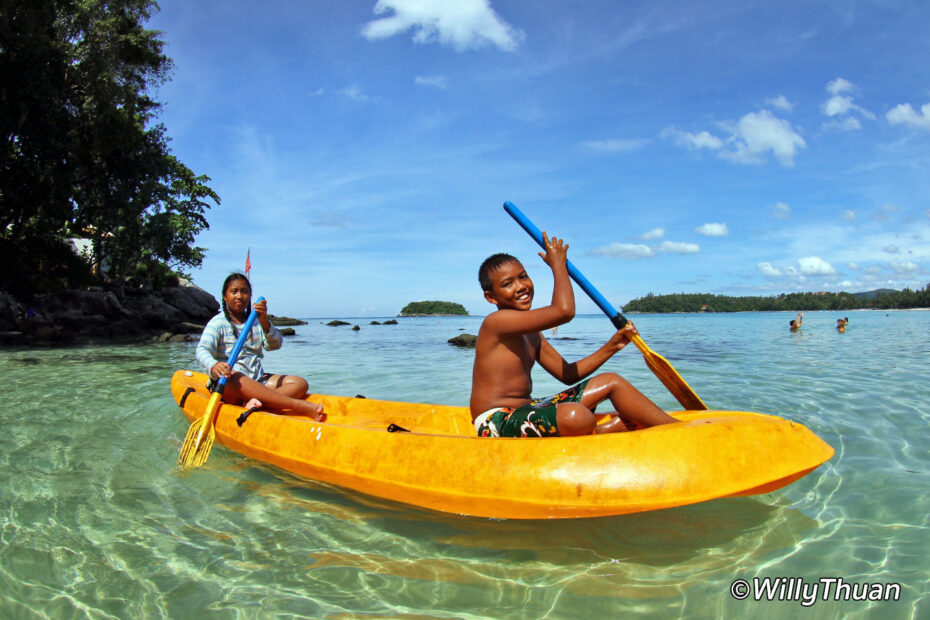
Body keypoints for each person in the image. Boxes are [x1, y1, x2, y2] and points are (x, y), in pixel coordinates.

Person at [469, 233, 679, 438]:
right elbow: (564, 311)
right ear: (491, 297)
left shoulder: (532, 332)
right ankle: (608, 429)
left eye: (523, 277)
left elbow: (568, 374)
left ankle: (678, 430)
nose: (521, 286)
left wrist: (612, 346)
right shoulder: (495, 323)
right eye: (508, 284)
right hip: (495, 421)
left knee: (612, 381)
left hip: (529, 408)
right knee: (575, 415)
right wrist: (558, 264)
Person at [196, 273, 324, 420]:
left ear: (250, 296)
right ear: (225, 296)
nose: (239, 296)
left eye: (244, 291)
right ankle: (297, 405)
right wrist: (214, 365)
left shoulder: (256, 322)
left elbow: (275, 345)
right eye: (234, 291)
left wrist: (264, 321)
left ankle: (258, 402)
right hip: (228, 383)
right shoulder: (218, 323)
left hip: (256, 380)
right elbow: (202, 350)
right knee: (235, 375)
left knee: (300, 383)